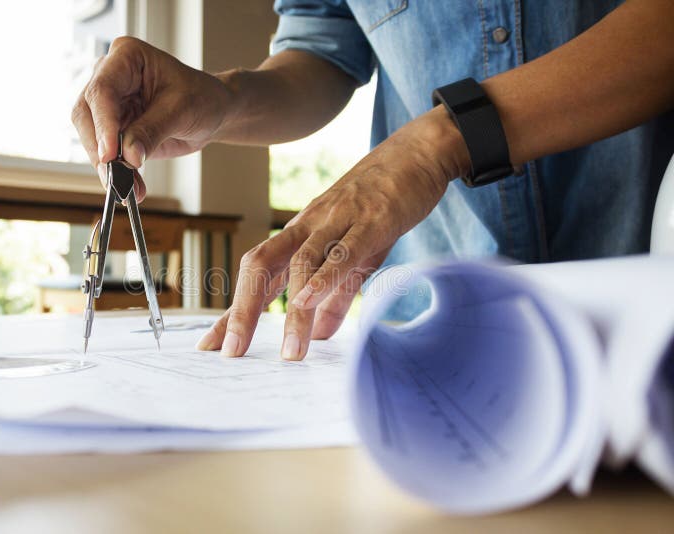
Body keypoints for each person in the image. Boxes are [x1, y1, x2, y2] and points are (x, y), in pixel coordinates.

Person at [72, 0, 674, 361]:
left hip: (643, 291)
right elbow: (321, 54)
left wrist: (438, 143)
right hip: (429, 318)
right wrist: (224, 98)